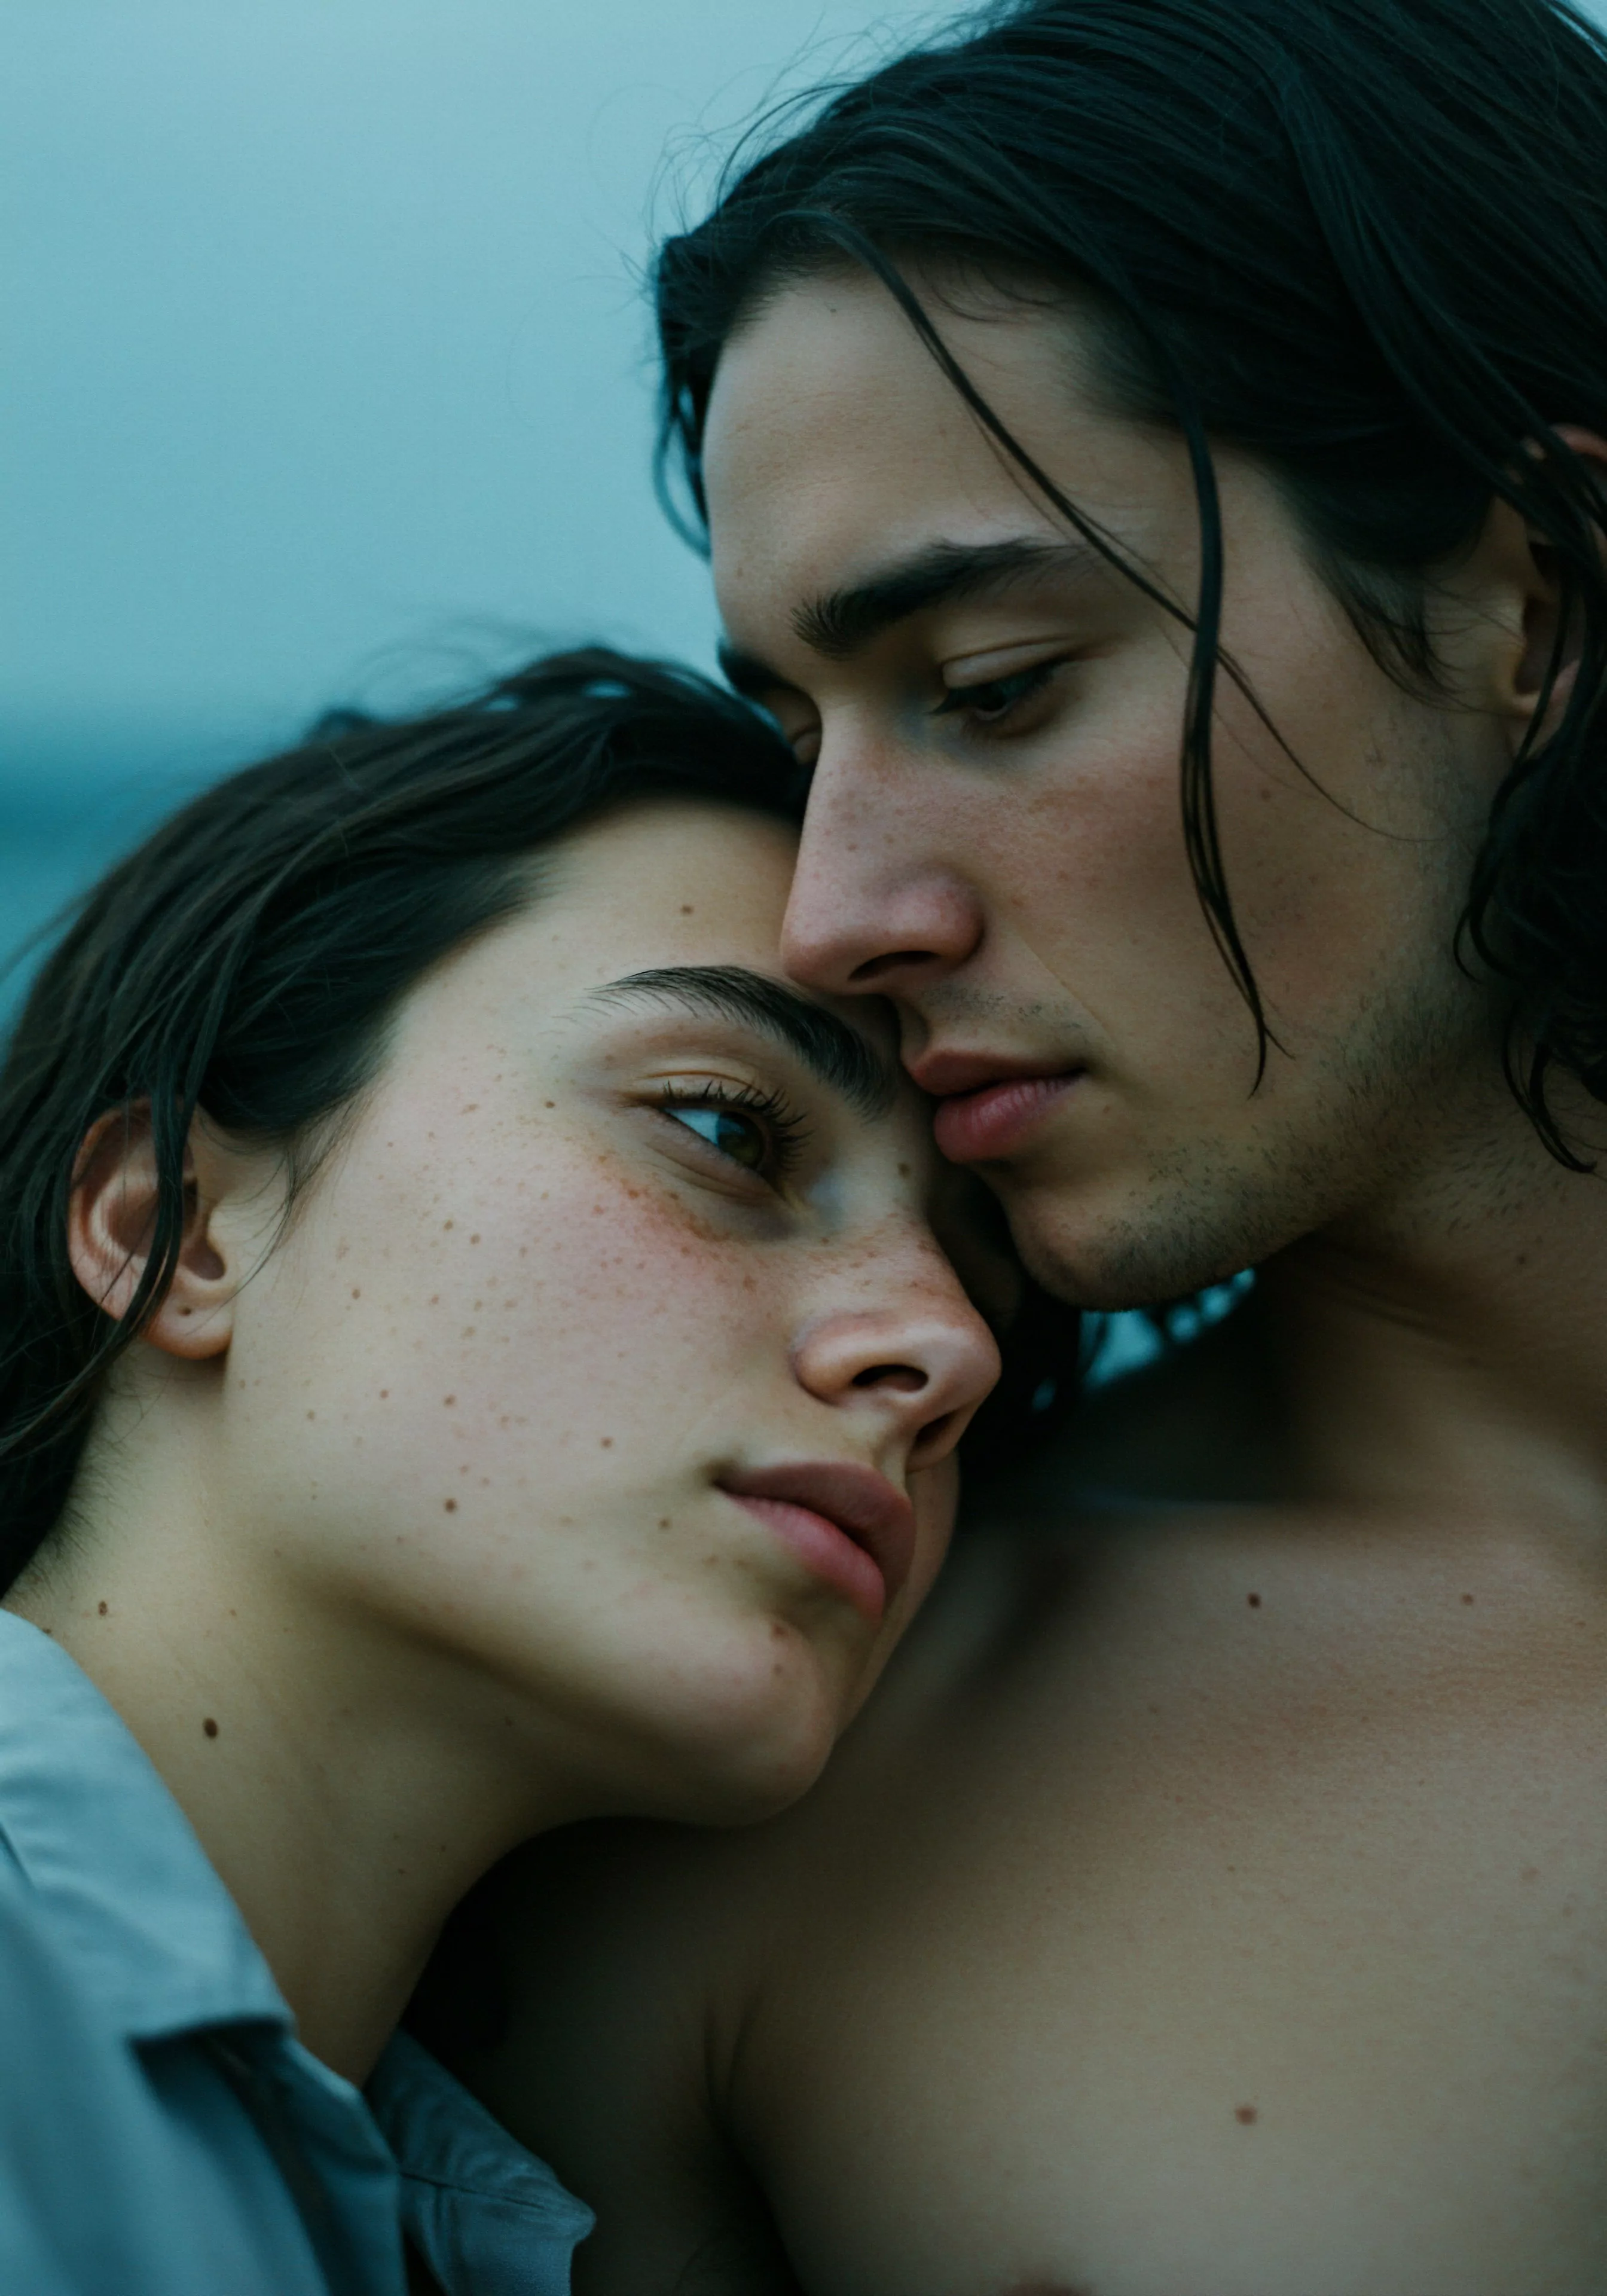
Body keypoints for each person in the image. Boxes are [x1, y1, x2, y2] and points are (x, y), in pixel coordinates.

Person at [452, 4, 1607, 2289]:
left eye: (989, 688)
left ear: (1531, 603)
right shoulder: (776, 1795)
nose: (836, 913)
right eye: (800, 738)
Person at [0, 649, 1006, 2295]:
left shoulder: (477, 2227)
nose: (946, 1347)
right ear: (174, 1228)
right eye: (727, 1129)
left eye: (997, 1298)